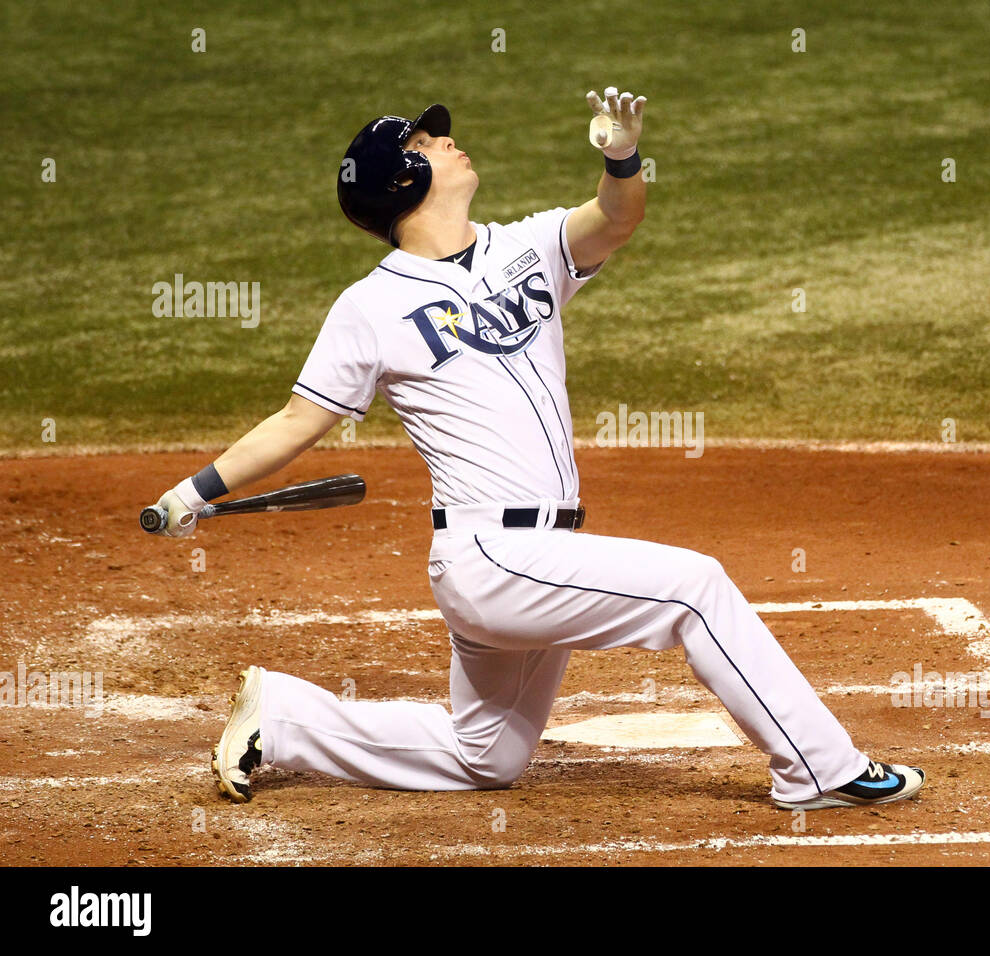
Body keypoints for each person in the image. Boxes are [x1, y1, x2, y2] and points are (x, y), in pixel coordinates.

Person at [150, 87, 925, 811]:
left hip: (538, 553)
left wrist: (621, 156)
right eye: (428, 141)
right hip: (487, 556)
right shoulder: (370, 306)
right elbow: (295, 420)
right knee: (695, 588)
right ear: (401, 181)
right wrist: (191, 493)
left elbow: (615, 219)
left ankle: (284, 719)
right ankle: (819, 767)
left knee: (484, 756)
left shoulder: (526, 247)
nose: (450, 143)